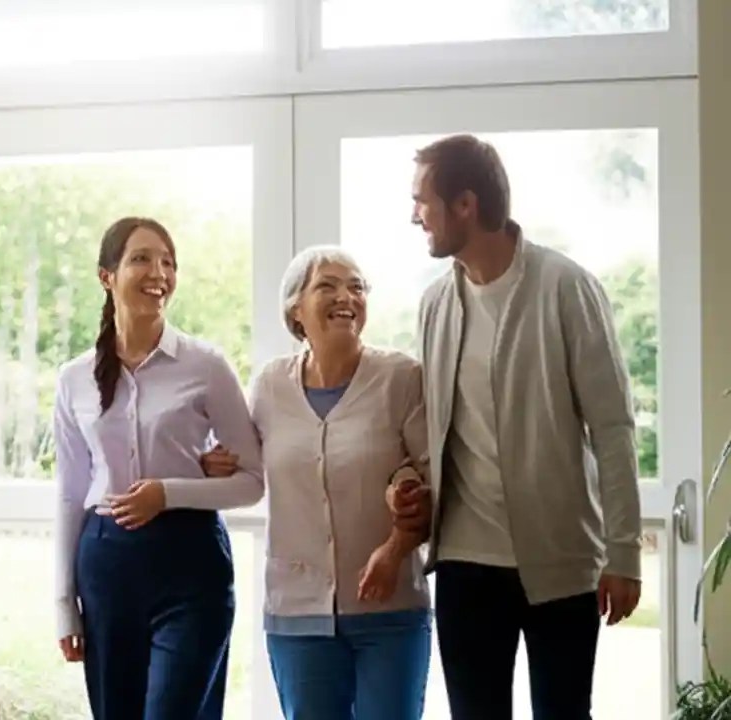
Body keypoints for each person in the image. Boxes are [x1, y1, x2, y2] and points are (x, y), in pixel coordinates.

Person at [398, 133, 643, 720]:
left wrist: (625, 553)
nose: (414, 216)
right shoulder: (435, 303)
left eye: (422, 201)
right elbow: (433, 430)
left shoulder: (565, 286)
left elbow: (612, 427)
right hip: (464, 565)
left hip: (561, 564)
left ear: (465, 204)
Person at [201, 245, 433, 720]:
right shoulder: (269, 385)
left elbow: (437, 482)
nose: (345, 295)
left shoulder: (401, 377)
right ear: (295, 309)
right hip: (296, 612)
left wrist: (395, 548)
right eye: (327, 286)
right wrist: (209, 463)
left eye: (356, 286)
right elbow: (244, 464)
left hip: (390, 611)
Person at [52, 216, 265, 719]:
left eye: (168, 262)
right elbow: (69, 491)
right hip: (106, 566)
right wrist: (64, 603)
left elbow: (252, 482)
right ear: (107, 275)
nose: (159, 272)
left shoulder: (206, 366)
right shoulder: (74, 379)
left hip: (191, 564)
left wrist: (167, 493)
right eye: (142, 258)